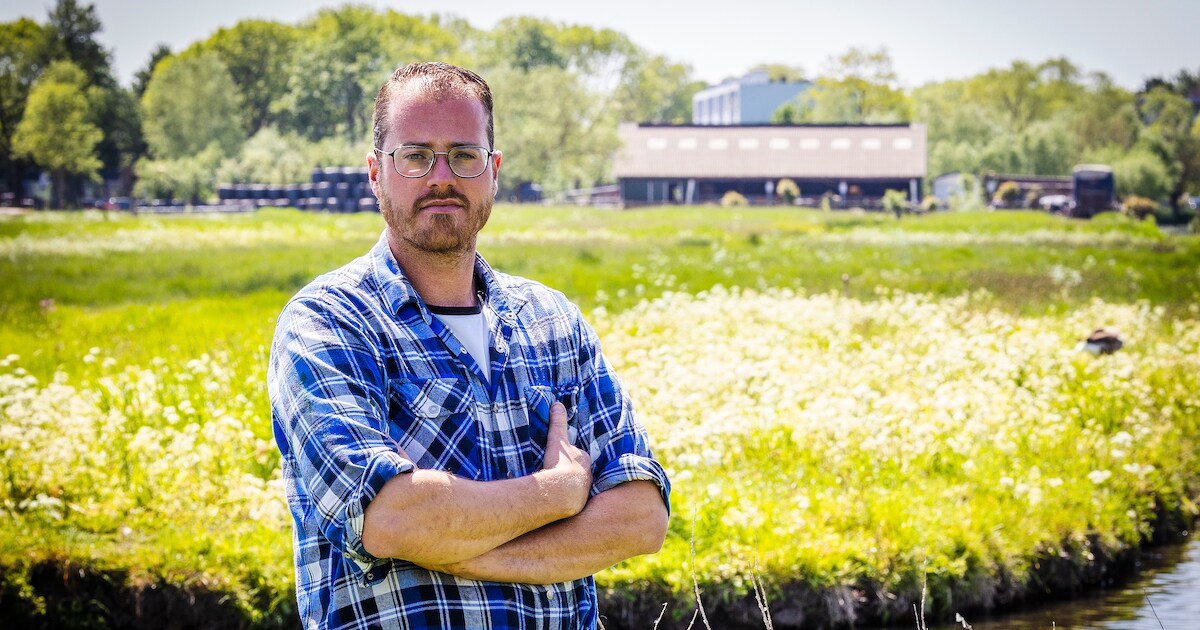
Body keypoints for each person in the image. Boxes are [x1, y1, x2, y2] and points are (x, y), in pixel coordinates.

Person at [268, 61, 671, 630]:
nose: (441, 176)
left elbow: (640, 517)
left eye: (463, 155)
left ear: (494, 170)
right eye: (414, 156)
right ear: (375, 173)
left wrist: (463, 548)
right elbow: (388, 518)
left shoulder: (553, 322)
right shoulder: (329, 322)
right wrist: (557, 492)